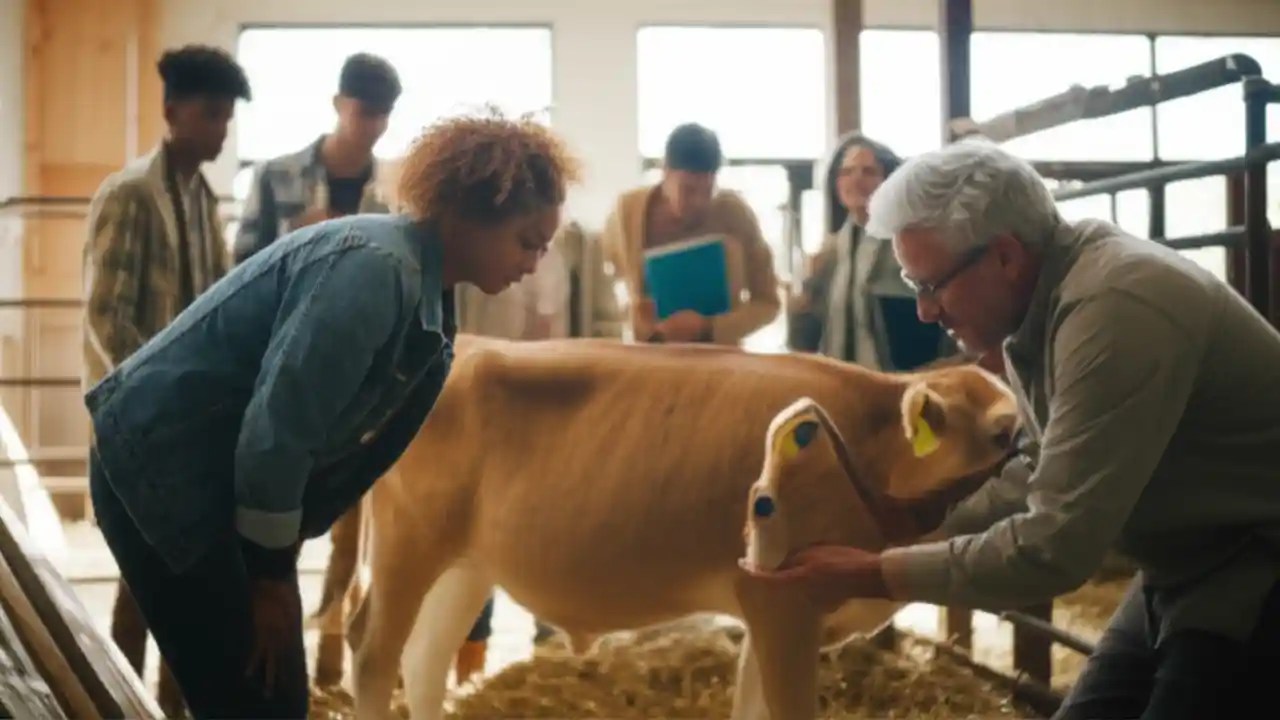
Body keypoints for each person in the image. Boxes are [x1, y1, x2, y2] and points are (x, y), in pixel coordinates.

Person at [744, 139, 1280, 720]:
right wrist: (912, 534)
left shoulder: (1115, 311)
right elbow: (1040, 466)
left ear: (1004, 256)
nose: (925, 311)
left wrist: (875, 574)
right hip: (1179, 566)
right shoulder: (1042, 309)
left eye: (930, 285)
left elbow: (1055, 547)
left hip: (1257, 563)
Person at [83, 109, 581, 718]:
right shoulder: (375, 270)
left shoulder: (425, 295)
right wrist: (269, 578)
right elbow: (279, 430)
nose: (533, 263)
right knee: (256, 698)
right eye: (526, 242)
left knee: (269, 693)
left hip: (205, 471)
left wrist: (275, 563)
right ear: (468, 217)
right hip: (161, 466)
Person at [81, 43, 252, 718]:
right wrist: (162, 403)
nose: (220, 129)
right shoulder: (129, 196)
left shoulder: (202, 201)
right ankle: (125, 702)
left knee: (174, 579)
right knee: (146, 576)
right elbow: (108, 320)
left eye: (226, 116)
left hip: (185, 427)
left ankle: (169, 707)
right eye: (211, 114)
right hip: (138, 426)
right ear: (173, 111)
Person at [601, 122, 780, 345]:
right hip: (650, 360)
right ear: (664, 171)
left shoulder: (735, 215)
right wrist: (632, 312)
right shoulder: (627, 212)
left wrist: (708, 327)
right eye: (688, 190)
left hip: (718, 362)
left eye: (707, 191)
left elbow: (768, 304)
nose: (698, 202)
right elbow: (605, 291)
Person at [788, 132, 953, 369]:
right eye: (846, 172)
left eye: (868, 171)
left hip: (904, 381)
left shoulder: (911, 245)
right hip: (840, 384)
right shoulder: (829, 253)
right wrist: (802, 297)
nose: (856, 180)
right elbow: (804, 339)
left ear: (888, 179)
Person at [233, 52, 402, 263]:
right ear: (338, 104)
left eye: (384, 114)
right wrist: (294, 241)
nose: (375, 126)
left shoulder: (395, 190)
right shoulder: (275, 176)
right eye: (365, 113)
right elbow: (242, 267)